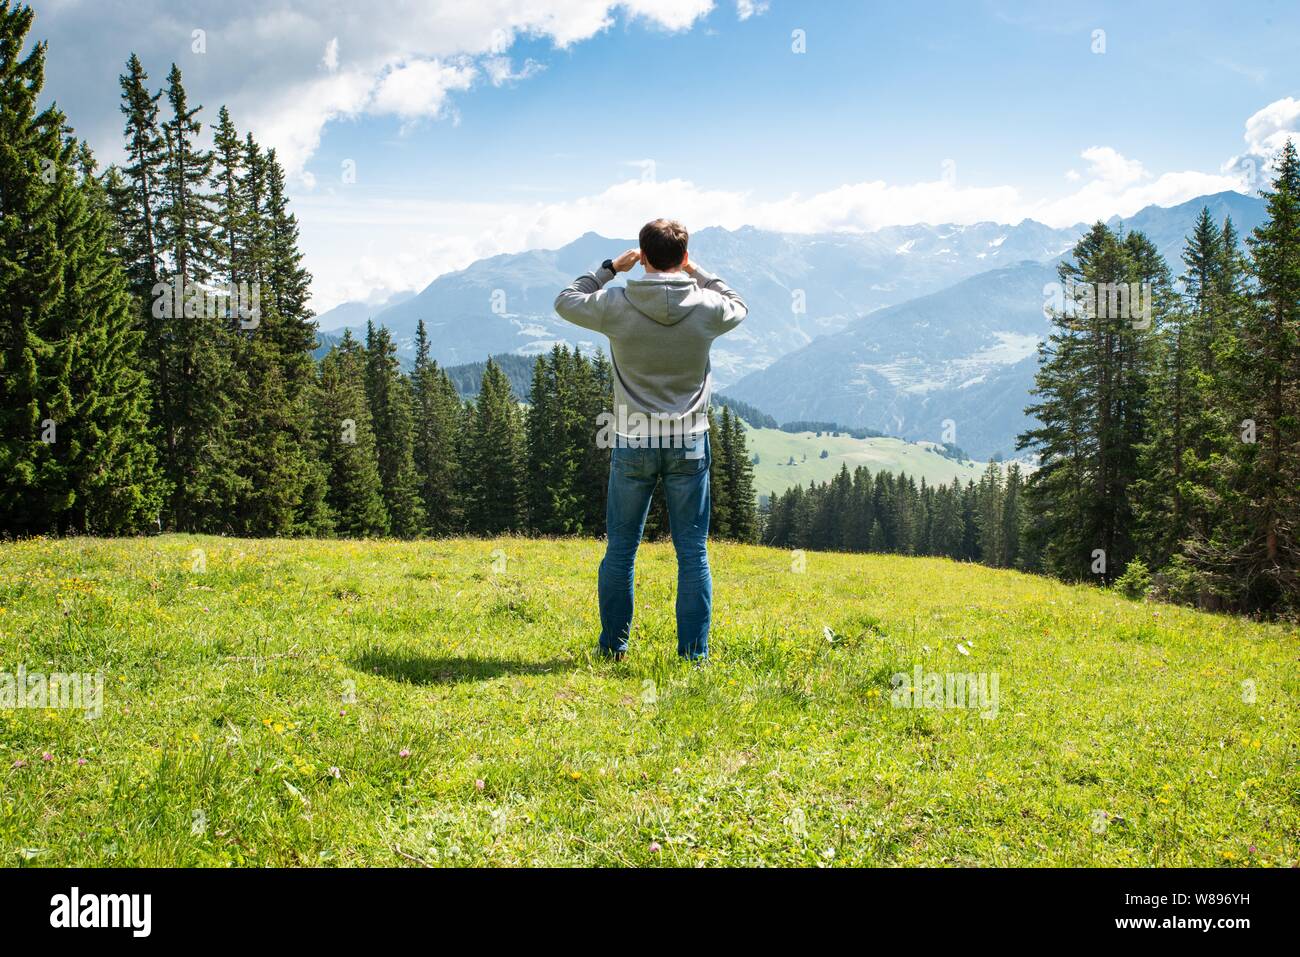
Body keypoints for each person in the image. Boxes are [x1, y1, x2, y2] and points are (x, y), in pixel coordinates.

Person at [553, 218, 748, 661]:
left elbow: (566, 301)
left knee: (621, 550)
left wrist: (609, 268)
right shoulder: (706, 306)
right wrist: (695, 272)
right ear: (681, 257)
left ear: (641, 255)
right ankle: (693, 655)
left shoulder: (616, 303)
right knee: (692, 553)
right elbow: (739, 302)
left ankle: (613, 648)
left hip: (633, 440)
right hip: (688, 442)